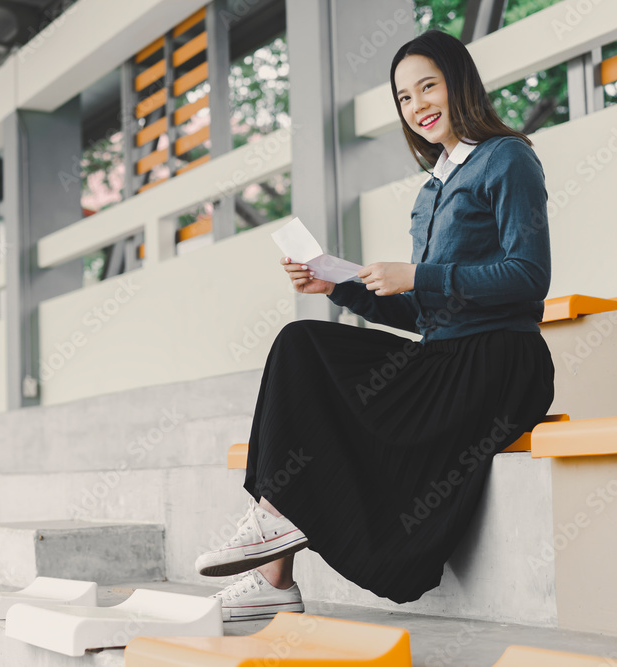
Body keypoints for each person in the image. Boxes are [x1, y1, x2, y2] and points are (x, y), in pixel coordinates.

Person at [194, 29, 556, 622]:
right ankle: (274, 572)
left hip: (497, 361)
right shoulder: (432, 189)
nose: (417, 106)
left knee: (313, 369)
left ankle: (272, 535)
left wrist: (419, 275)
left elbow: (528, 276)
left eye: (428, 87)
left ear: (459, 82)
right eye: (404, 98)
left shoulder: (506, 158)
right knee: (301, 344)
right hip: (444, 356)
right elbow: (422, 313)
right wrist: (338, 287)